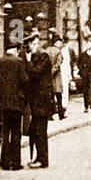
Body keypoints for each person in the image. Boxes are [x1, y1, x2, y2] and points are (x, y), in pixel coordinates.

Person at [0, 42, 28, 171]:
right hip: (16, 102)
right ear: (15, 50)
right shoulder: (19, 62)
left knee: (4, 132)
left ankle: (5, 162)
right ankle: (16, 162)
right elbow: (24, 80)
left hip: (2, 103)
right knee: (16, 133)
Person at [26, 35, 54, 168]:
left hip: (42, 101)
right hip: (37, 100)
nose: (32, 48)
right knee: (35, 129)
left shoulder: (43, 56)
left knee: (40, 130)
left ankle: (43, 160)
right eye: (31, 45)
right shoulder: (37, 57)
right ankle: (39, 157)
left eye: (33, 45)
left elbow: (35, 72)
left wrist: (28, 61)